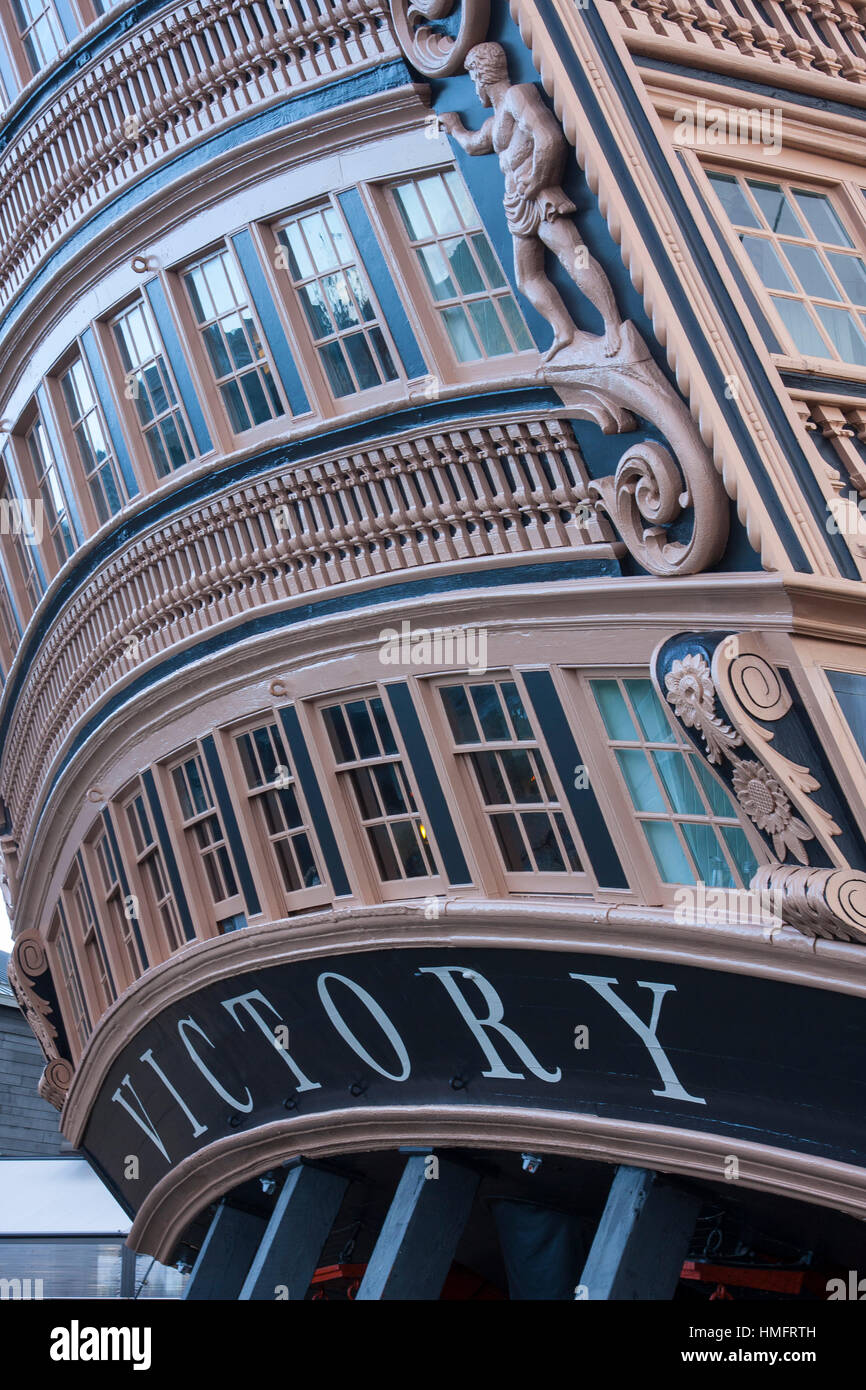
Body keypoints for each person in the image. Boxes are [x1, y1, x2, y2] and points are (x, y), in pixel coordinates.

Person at [440, 41, 623, 362]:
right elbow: (473, 145)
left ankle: (613, 326)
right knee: (527, 278)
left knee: (575, 258)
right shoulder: (495, 120)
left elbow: (549, 137)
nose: (473, 87)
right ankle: (564, 331)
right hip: (518, 204)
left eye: (473, 78)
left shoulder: (517, 97)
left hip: (539, 197)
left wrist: (538, 180)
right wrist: (454, 128)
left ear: (483, 76)